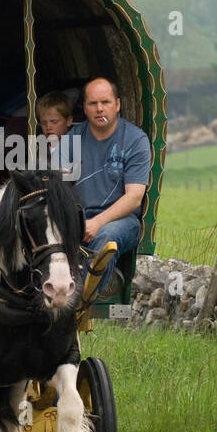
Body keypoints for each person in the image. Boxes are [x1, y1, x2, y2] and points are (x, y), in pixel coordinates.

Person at [70, 77, 151, 293]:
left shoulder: (135, 140)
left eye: (105, 102)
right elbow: (57, 185)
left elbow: (134, 197)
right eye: (92, 104)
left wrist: (97, 223)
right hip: (80, 218)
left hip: (121, 221)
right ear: (85, 109)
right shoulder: (72, 139)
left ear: (117, 105)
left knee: (106, 237)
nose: (99, 109)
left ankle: (80, 301)